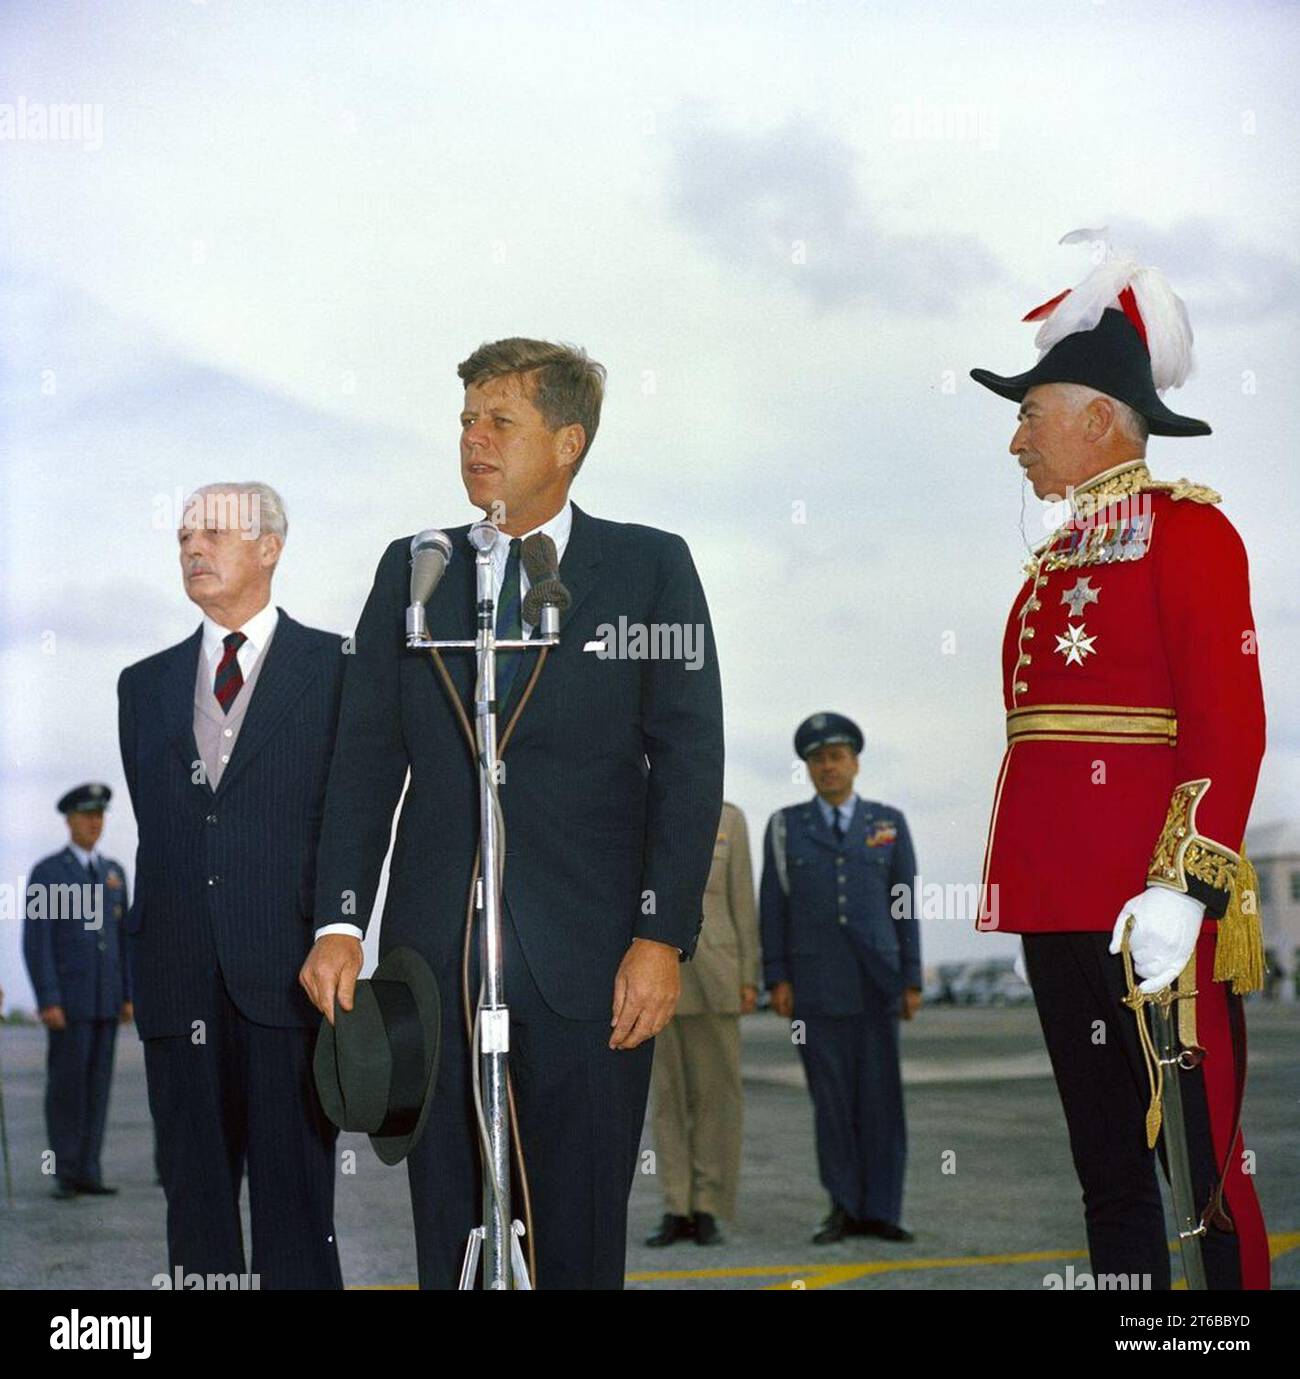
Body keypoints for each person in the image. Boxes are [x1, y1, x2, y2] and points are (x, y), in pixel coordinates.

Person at [301, 337, 724, 1289]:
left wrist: (662, 937)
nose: (473, 439)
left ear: (568, 441)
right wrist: (339, 920)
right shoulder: (415, 569)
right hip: (432, 965)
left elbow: (690, 760)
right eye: (465, 421)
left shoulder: (650, 569)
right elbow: (365, 760)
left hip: (593, 965)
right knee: (449, 1229)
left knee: (575, 1236)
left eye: (500, 420)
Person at [970, 237, 1270, 1289]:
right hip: (1059, 903)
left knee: (1203, 1173)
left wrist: (1183, 890)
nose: (1015, 438)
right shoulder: (1059, 555)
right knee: (1106, 1172)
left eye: (1028, 411)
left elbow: (1228, 725)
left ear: (1098, 415)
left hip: (1149, 906)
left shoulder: (1189, 536)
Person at [117, 481, 346, 1288]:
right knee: (197, 1212)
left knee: (297, 1212)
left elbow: (346, 821)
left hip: (289, 983)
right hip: (178, 984)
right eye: (183, 534)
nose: (192, 546)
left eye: (212, 529)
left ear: (271, 546)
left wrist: (335, 929)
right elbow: (165, 831)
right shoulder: (141, 686)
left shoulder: (336, 668)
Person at [760, 713, 921, 1245]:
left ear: (854, 762)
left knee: (881, 1102)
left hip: (877, 984)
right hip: (815, 987)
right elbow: (773, 907)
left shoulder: (888, 823)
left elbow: (905, 905)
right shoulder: (785, 827)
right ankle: (843, 1207)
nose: (827, 767)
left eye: (836, 757)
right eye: (817, 759)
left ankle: (883, 1210)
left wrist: (911, 977)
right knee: (830, 1104)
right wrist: (777, 976)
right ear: (806, 768)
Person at [646, 799, 760, 1248]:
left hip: (715, 976)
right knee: (666, 1100)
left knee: (717, 1099)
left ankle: (709, 1206)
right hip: (654, 980)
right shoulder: (641, 810)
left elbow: (742, 900)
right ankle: (677, 1205)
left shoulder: (728, 818)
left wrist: (748, 974)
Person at [22, 783, 132, 1199]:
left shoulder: (113, 873)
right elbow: (38, 942)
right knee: (68, 1088)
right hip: (69, 1002)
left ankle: (89, 1169)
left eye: (99, 815)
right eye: (86, 815)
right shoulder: (49, 873)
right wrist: (48, 998)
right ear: (69, 820)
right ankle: (67, 1171)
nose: (94, 823)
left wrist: (127, 994)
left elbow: (123, 938)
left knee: (98, 1088)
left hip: (105, 1000)